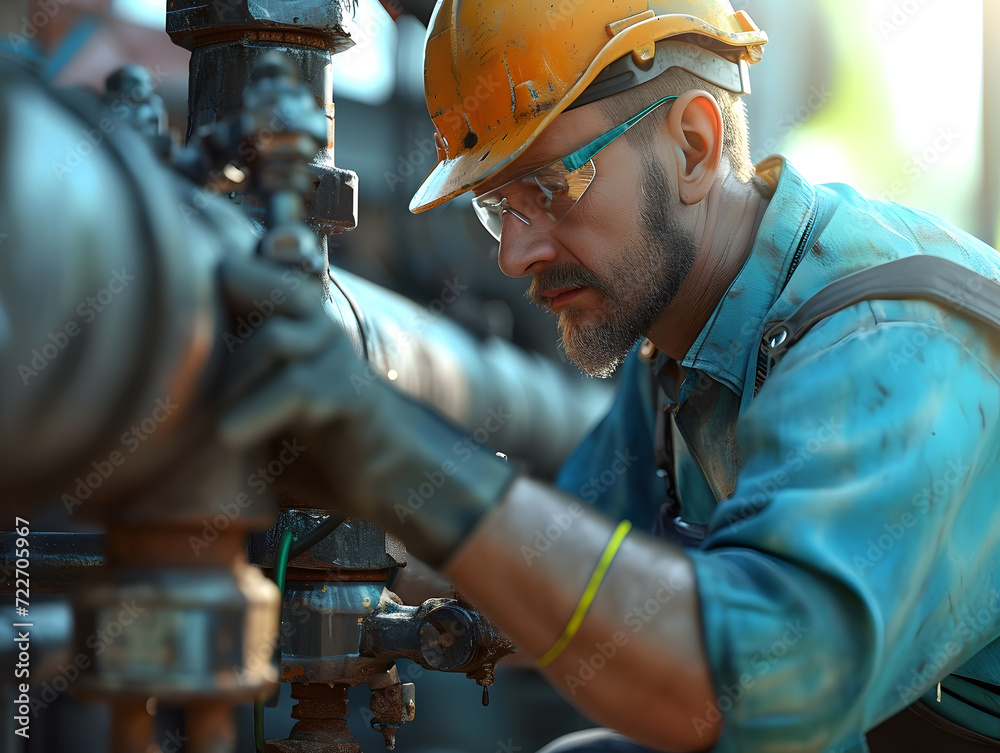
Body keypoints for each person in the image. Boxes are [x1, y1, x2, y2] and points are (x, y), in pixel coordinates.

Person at [218, 1, 1000, 751]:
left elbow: (747, 692)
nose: (513, 255)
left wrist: (394, 453)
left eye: (551, 188)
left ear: (693, 144)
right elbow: (581, 566)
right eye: (498, 207)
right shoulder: (678, 338)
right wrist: (343, 547)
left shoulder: (888, 348)